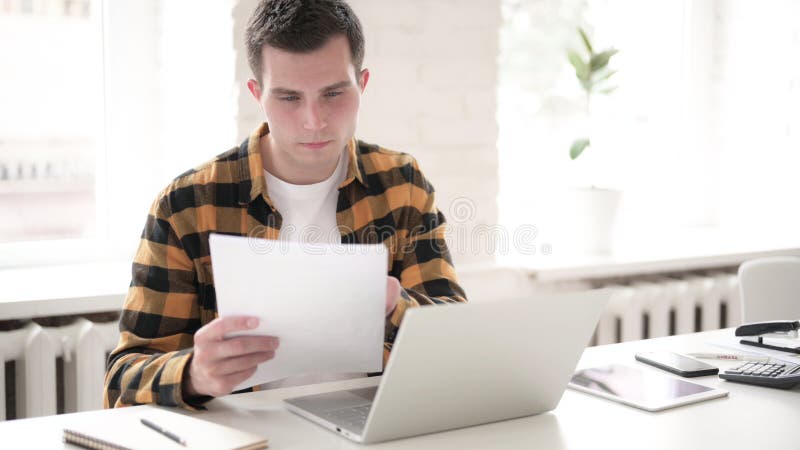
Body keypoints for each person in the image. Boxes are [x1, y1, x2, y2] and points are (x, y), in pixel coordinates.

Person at [103, 0, 467, 410]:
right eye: (289, 98)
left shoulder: (401, 183)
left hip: (369, 429)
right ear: (257, 94)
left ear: (362, 84)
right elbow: (122, 380)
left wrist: (393, 305)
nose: (314, 120)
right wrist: (193, 375)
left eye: (333, 93)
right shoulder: (186, 205)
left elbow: (455, 339)